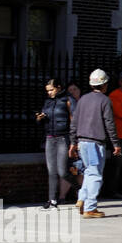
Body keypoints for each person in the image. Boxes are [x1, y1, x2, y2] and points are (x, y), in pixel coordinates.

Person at [69, 69, 121, 218]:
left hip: (82, 142)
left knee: (89, 173)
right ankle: (90, 208)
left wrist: (73, 142)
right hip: (95, 143)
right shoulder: (105, 100)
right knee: (95, 175)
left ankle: (82, 200)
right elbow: (109, 123)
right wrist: (116, 143)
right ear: (104, 85)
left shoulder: (83, 99)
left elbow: (74, 122)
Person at [36, 78, 73, 209]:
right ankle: (52, 200)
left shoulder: (67, 100)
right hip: (50, 137)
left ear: (58, 87)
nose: (49, 93)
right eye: (47, 91)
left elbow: (73, 120)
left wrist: (74, 141)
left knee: (62, 171)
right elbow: (42, 120)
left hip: (63, 137)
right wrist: (40, 118)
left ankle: (81, 188)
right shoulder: (48, 102)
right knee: (51, 171)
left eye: (51, 90)